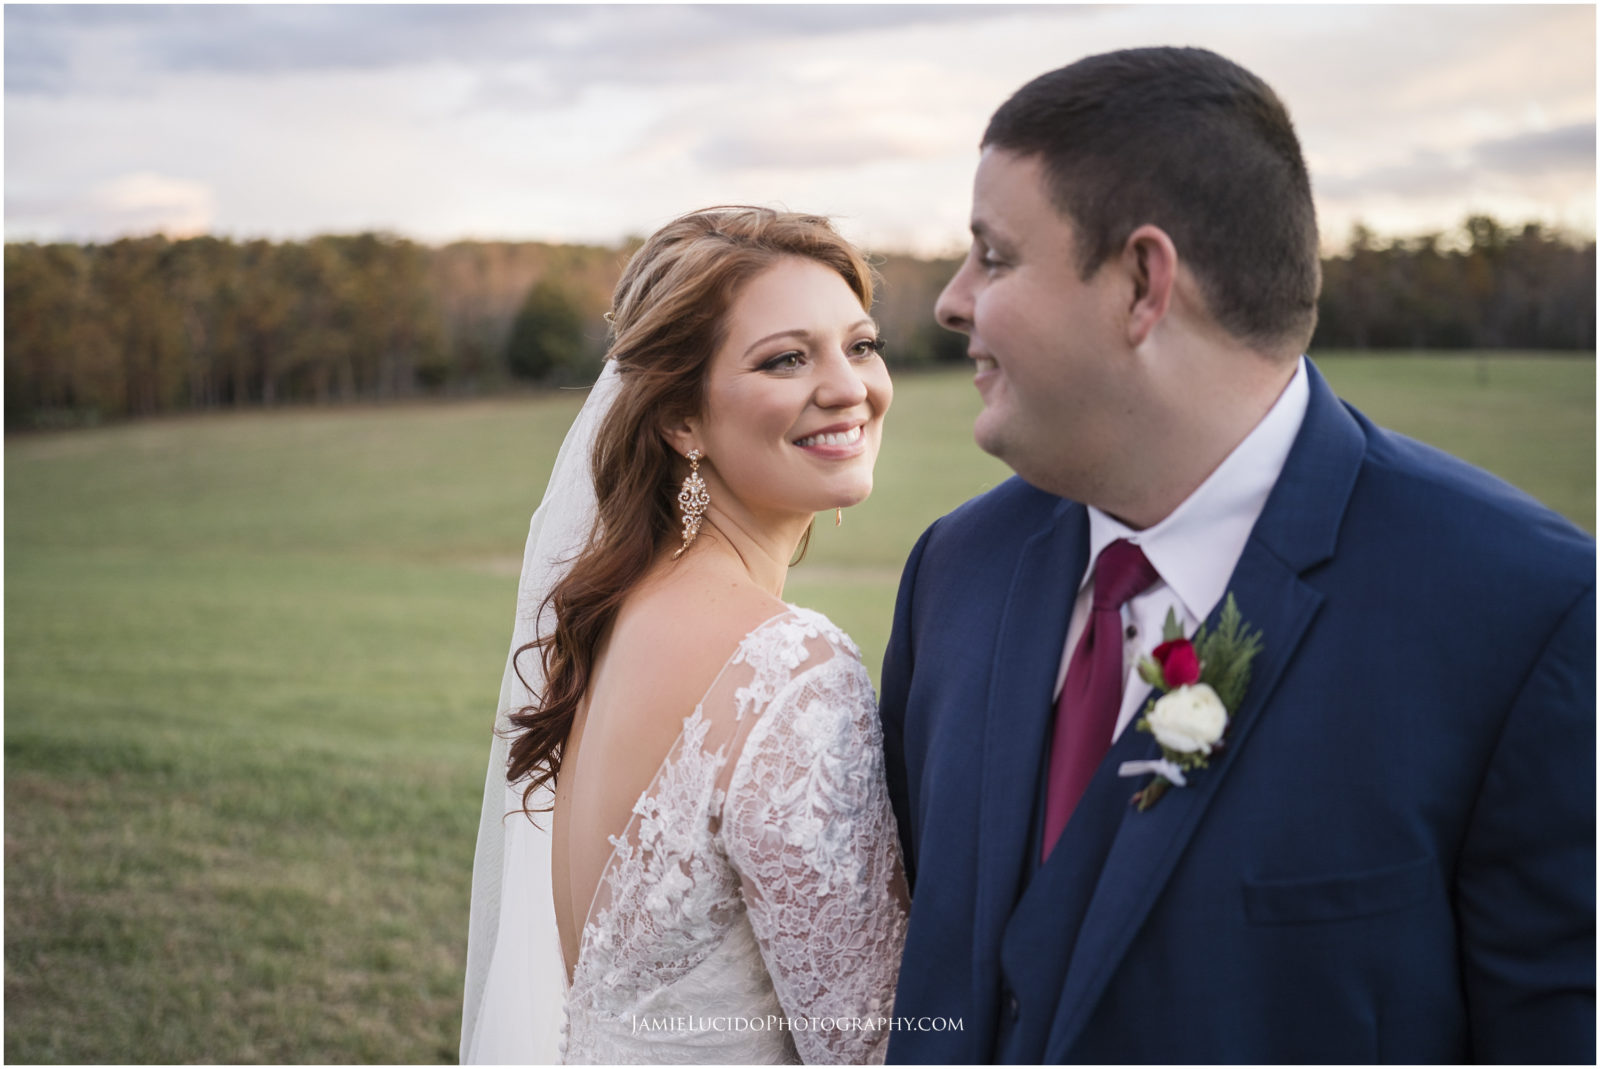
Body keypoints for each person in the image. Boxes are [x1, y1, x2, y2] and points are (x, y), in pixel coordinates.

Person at [880, 47, 1595, 1064]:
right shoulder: (954, 571)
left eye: (992, 256)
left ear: (1141, 282)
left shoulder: (1525, 614)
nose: (952, 301)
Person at [461, 207, 909, 1064]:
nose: (850, 386)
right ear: (682, 420)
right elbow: (870, 1045)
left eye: (860, 344)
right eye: (786, 357)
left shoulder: (609, 622)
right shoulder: (788, 669)